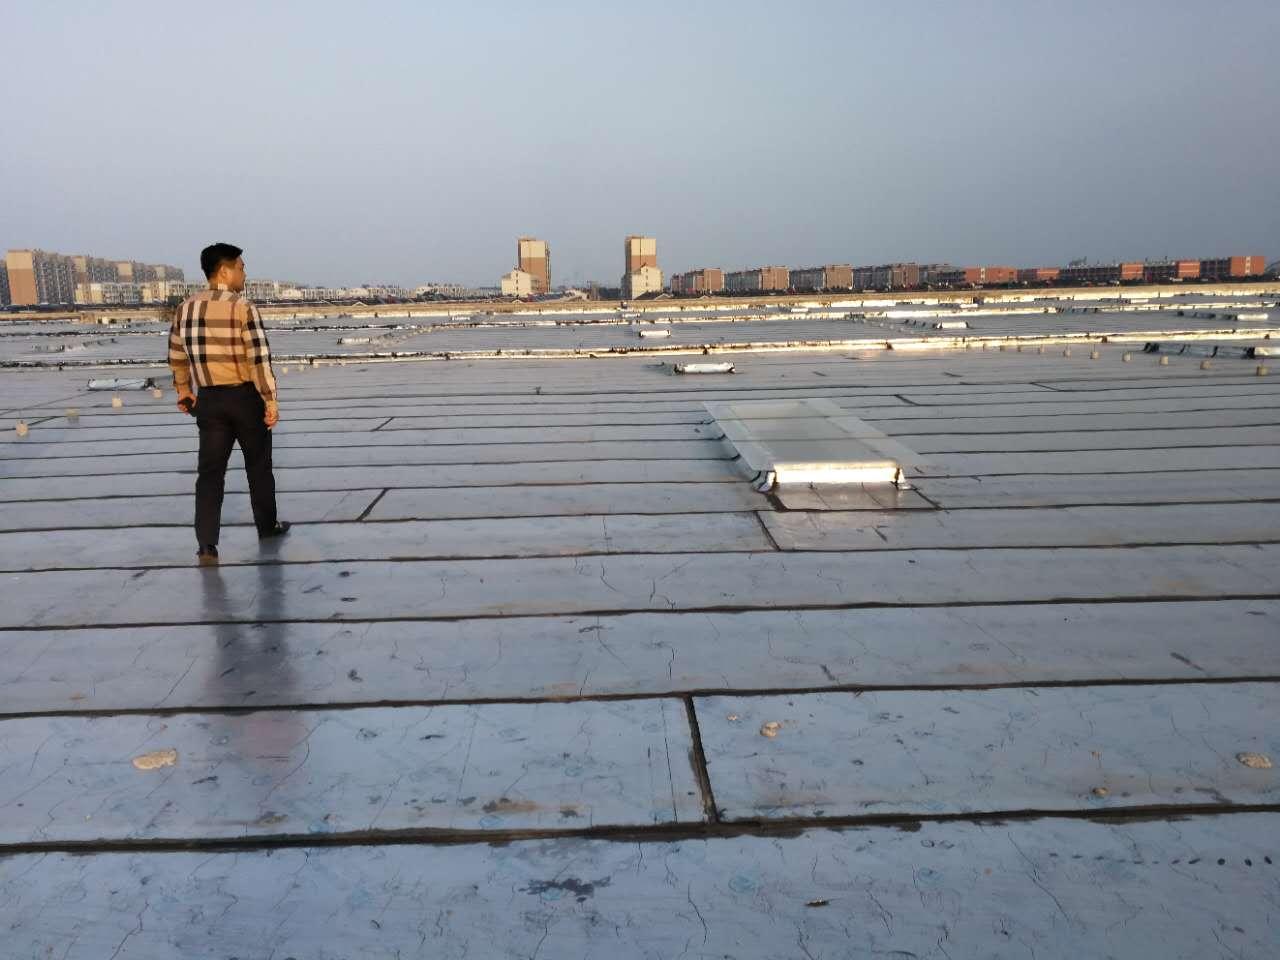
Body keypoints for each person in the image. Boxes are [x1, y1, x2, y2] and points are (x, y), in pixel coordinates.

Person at [169, 243, 289, 566]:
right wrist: (270, 400)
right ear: (224, 271)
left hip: (209, 400)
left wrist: (184, 391)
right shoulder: (243, 307)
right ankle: (267, 528)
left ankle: (207, 545)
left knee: (210, 474)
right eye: (241, 267)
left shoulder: (185, 309)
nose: (244, 274)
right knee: (258, 467)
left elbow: (177, 356)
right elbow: (258, 359)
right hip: (244, 397)